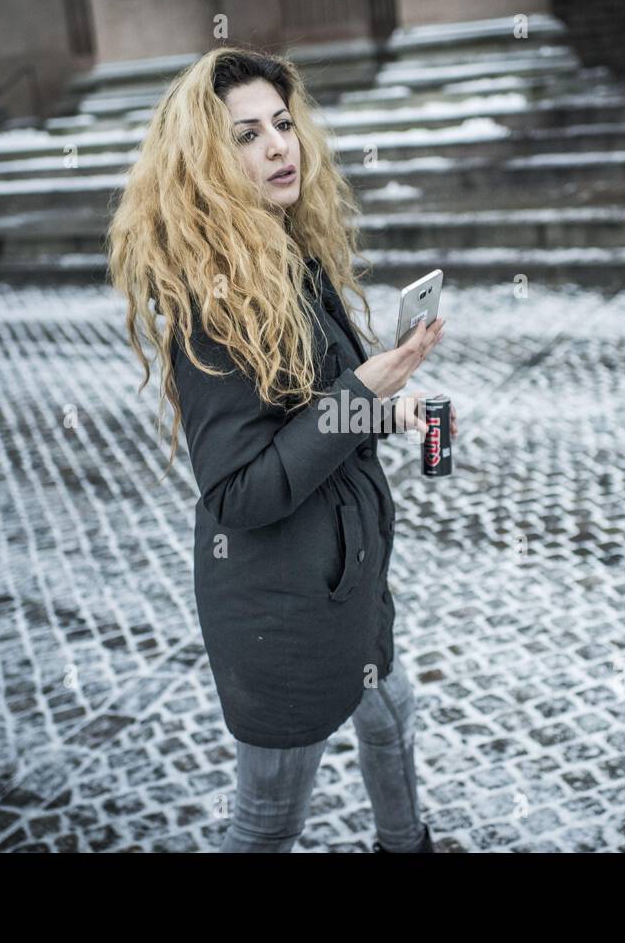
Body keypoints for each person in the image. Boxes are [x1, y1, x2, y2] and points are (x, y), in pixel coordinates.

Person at [106, 46, 459, 852]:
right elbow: (239, 490)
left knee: (392, 712)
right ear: (205, 161)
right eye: (246, 135)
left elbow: (312, 414)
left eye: (283, 124)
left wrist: (388, 409)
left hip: (348, 578)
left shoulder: (286, 257)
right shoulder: (207, 305)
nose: (279, 146)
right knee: (268, 820)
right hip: (283, 612)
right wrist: (362, 394)